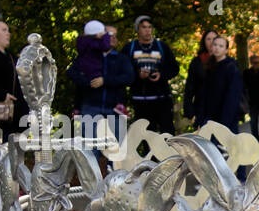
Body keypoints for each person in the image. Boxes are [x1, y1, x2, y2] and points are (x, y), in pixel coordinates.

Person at [66, 21, 134, 172]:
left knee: (116, 149)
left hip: (115, 108)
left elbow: (129, 77)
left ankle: (116, 184)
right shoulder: (87, 57)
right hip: (90, 106)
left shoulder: (121, 59)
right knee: (91, 148)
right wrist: (88, 82)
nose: (112, 38)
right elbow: (72, 73)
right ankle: (92, 186)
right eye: (108, 34)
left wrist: (105, 80)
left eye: (115, 36)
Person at [121, 15, 179, 134]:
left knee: (167, 135)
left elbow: (174, 68)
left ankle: (169, 153)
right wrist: (138, 76)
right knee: (146, 136)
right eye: (144, 27)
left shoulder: (162, 47)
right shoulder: (129, 48)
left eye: (149, 27)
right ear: (138, 29)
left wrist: (161, 75)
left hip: (162, 99)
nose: (147, 30)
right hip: (140, 101)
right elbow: (122, 71)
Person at [196, 34, 243, 132]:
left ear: (226, 50)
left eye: (221, 46)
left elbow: (232, 98)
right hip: (209, 120)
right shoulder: (209, 67)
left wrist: (224, 124)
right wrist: (200, 119)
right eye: (215, 45)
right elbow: (204, 96)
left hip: (225, 121)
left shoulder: (231, 68)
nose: (217, 48)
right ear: (211, 47)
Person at [183, 29, 217, 126]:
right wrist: (190, 112)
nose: (212, 42)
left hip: (223, 110)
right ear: (204, 42)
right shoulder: (196, 62)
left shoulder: (226, 62)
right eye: (208, 39)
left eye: (214, 39)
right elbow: (189, 88)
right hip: (203, 111)